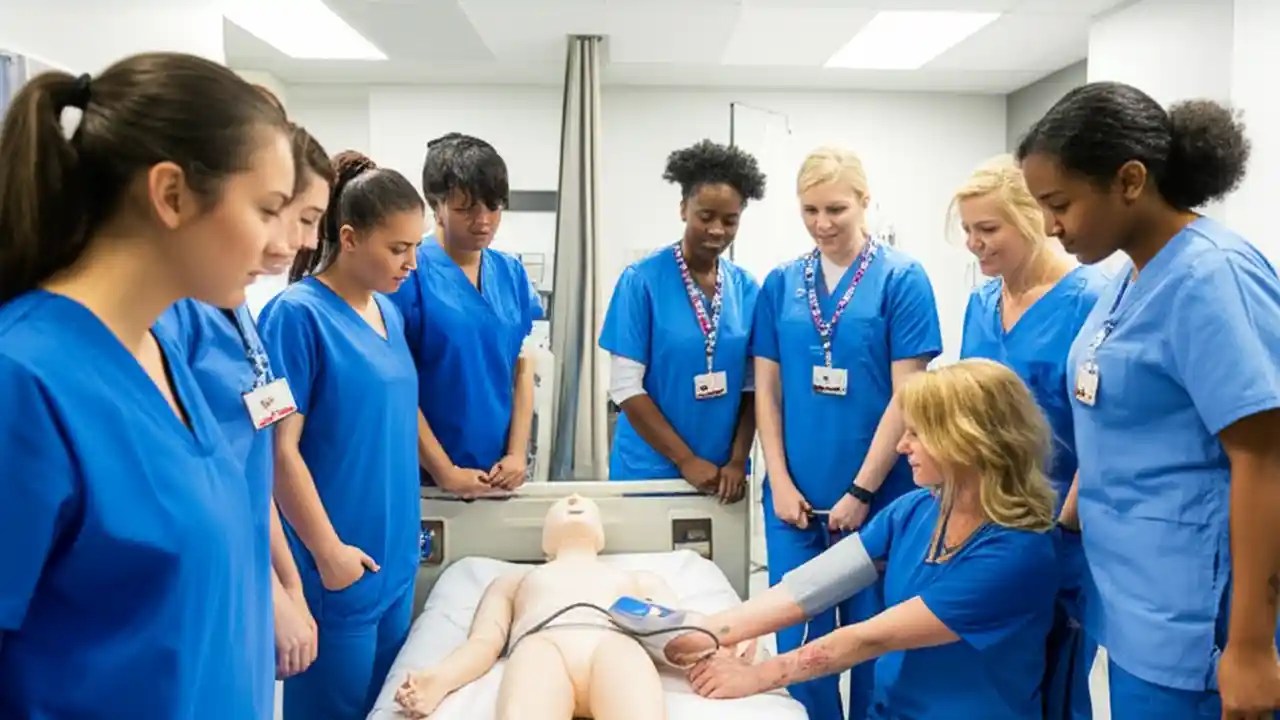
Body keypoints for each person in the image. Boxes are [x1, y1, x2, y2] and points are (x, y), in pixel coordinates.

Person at [0, 53, 294, 718]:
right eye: (268, 208)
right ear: (171, 195)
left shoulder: (161, 355)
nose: (281, 242)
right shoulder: (24, 379)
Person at [1017, 81, 1280, 720]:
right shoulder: (1131, 277)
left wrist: (1248, 647)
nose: (1051, 227)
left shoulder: (1211, 276)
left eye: (1060, 204)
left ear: (1130, 180)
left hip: (1199, 619)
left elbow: (1265, 458)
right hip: (1135, 599)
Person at [667, 359, 1062, 720]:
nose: (902, 445)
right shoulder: (915, 511)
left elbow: (869, 638)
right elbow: (811, 589)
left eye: (917, 434)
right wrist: (708, 632)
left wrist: (757, 677)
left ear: (968, 441)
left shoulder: (1017, 553)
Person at [752, 146, 942, 720]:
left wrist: (862, 492)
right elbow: (768, 391)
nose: (822, 223)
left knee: (872, 635)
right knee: (799, 637)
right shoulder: (781, 283)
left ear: (865, 201)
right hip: (796, 498)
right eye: (809, 210)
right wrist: (778, 480)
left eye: (836, 208)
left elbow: (909, 394)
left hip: (880, 497)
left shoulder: (902, 279)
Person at [154, 122, 334, 693]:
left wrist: (289, 585)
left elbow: (252, 468)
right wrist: (268, 590)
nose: (303, 241)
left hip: (245, 574)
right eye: (292, 213)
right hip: (209, 589)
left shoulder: (238, 310)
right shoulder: (172, 321)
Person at [259, 151, 426, 720]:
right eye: (398, 249)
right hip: (337, 565)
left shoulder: (389, 314)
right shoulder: (295, 317)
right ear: (349, 238)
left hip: (394, 561)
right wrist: (329, 556)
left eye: (417, 248)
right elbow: (278, 454)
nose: (412, 263)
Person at [952, 153, 1105, 720]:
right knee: (996, 677)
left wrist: (1065, 524)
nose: (974, 243)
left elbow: (1105, 427)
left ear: (1033, 218)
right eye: (968, 230)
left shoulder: (1092, 299)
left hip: (1062, 525)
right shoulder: (981, 303)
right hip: (991, 520)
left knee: (1057, 678)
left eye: (988, 229)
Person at [394, 493, 745, 720]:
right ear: (545, 543)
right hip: (542, 646)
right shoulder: (514, 580)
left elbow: (678, 635)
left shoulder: (640, 579)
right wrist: (438, 680)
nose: (574, 498)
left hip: (615, 645)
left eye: (584, 504)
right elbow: (483, 645)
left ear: (602, 538)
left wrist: (723, 641)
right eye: (560, 505)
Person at [599, 139, 766, 502]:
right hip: (648, 468)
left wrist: (738, 460)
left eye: (730, 220)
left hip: (722, 474)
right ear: (683, 209)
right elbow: (626, 387)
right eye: (705, 216)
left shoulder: (746, 288)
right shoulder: (642, 281)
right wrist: (685, 459)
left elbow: (753, 386)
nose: (717, 230)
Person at [387, 133, 543, 498]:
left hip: (498, 474)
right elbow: (397, 385)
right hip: (425, 478)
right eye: (466, 209)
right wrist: (445, 471)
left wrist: (517, 454)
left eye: (494, 207)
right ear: (436, 206)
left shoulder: (510, 273)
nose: (483, 221)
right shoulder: (408, 275)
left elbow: (522, 368)